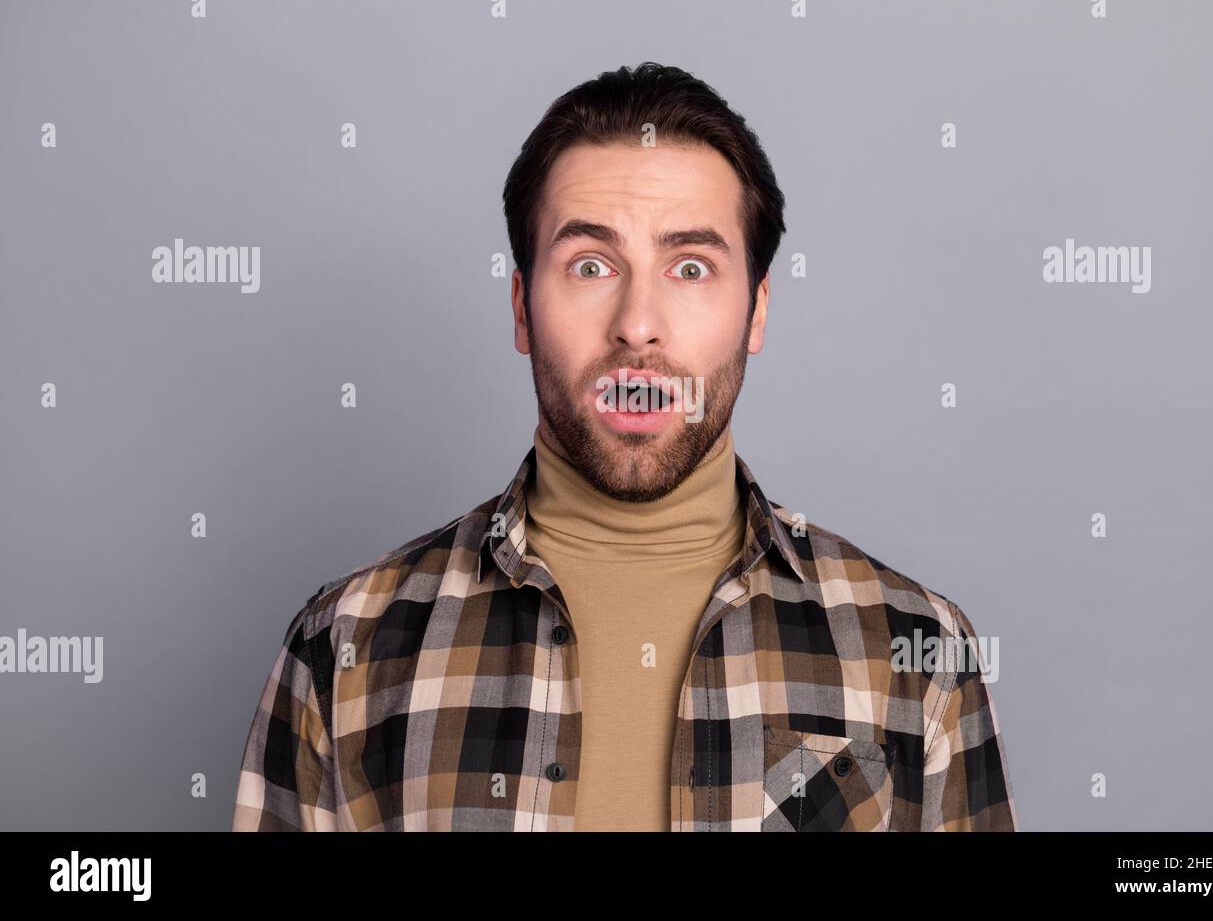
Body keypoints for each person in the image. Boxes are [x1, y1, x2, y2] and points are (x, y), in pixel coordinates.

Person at [232, 62, 1017, 832]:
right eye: (591, 264)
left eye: (690, 267)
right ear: (521, 307)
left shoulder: (919, 652)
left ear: (756, 312)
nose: (637, 323)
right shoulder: (344, 649)